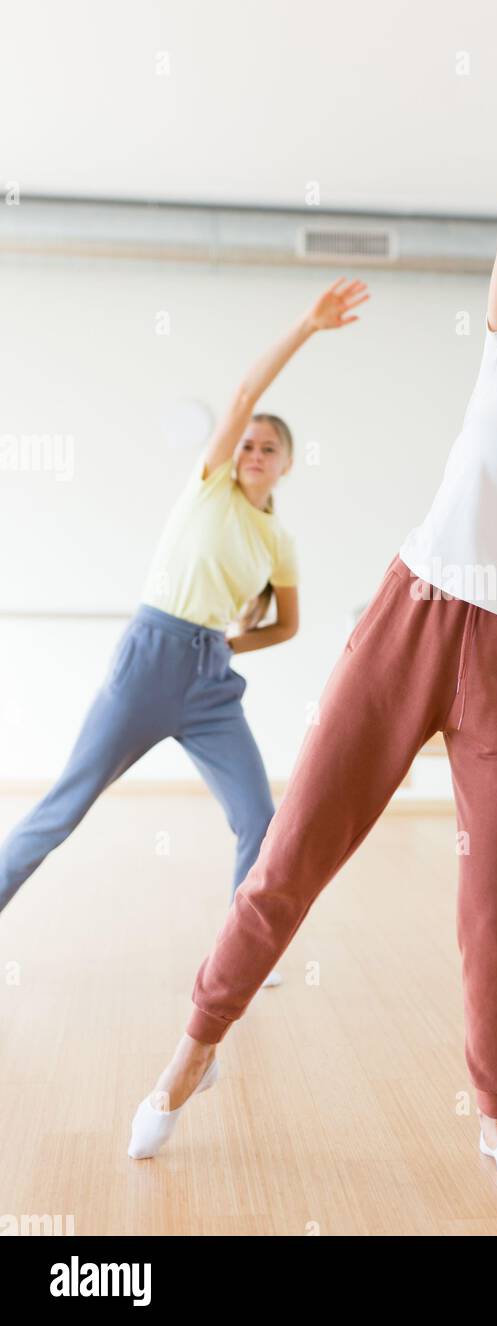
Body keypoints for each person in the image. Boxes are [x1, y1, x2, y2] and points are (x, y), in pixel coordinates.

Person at [128, 0, 497, 1184]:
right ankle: (193, 1046)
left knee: (493, 906)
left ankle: (494, 1110)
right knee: (293, 852)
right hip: (414, 617)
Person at [0, 278, 369, 995]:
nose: (254, 451)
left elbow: (287, 624)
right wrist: (307, 326)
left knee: (259, 819)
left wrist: (229, 648)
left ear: (287, 464)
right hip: (149, 661)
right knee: (64, 807)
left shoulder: (278, 540)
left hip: (210, 681)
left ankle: (243, 958)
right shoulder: (208, 485)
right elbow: (243, 394)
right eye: (248, 442)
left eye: (268, 447)